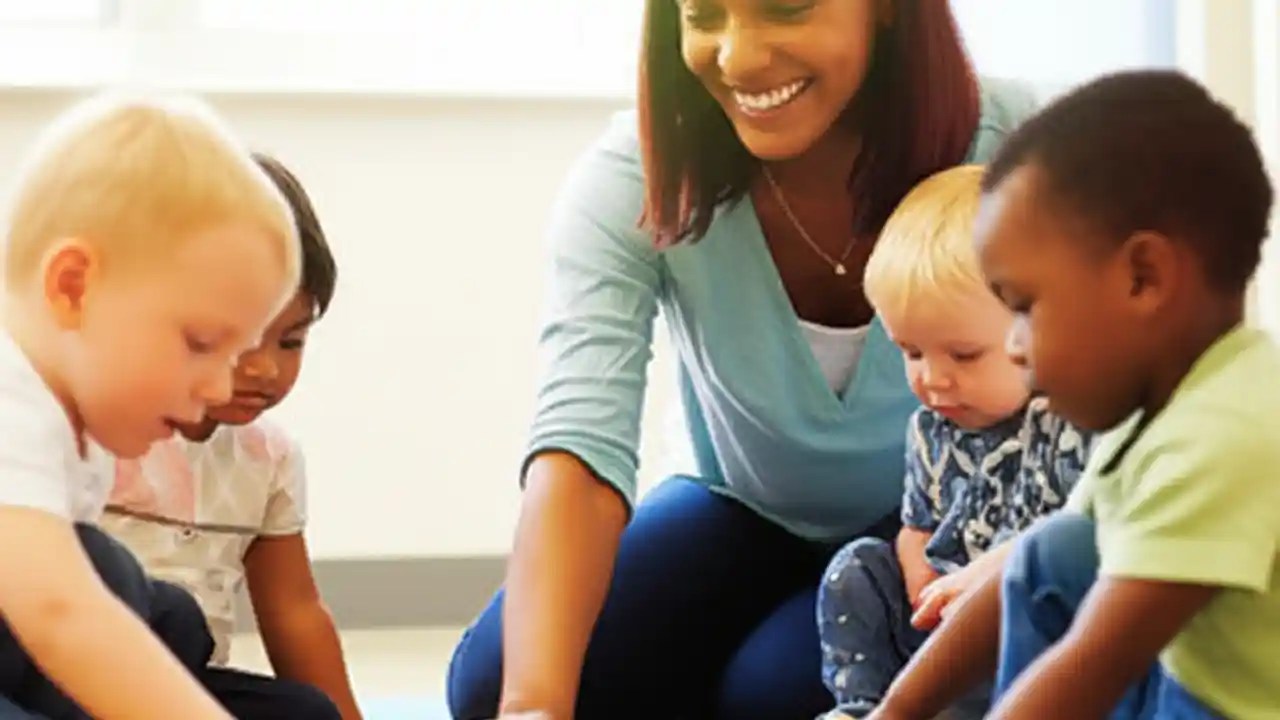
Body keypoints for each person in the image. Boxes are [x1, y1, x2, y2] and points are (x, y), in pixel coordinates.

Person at [446, 1, 1037, 718]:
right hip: (737, 503)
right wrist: (532, 704)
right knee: (493, 684)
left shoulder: (1024, 149)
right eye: (703, 13)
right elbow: (579, 443)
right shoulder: (633, 175)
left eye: (784, 7)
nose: (737, 57)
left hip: (935, 527)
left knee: (771, 698)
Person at [867, 70, 1279, 720]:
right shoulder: (1162, 406)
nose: (1015, 346)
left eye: (1025, 308)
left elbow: (1098, 659)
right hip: (1184, 685)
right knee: (1056, 549)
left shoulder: (1226, 437)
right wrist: (894, 712)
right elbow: (1020, 579)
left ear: (1143, 277)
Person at [0, 91, 299, 718]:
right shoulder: (11, 398)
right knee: (98, 580)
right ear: (73, 287)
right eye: (200, 343)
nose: (219, 388)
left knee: (151, 602)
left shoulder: (76, 429)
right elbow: (58, 613)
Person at [816, 165, 1091, 720]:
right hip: (938, 617)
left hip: (1023, 632)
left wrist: (984, 583)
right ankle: (861, 706)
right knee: (857, 568)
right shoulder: (932, 429)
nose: (932, 379)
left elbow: (1086, 534)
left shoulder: (1072, 421)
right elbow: (917, 526)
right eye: (911, 352)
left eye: (964, 355)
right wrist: (921, 581)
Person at [101, 153, 356, 719]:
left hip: (183, 687)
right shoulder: (96, 427)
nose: (265, 368)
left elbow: (294, 611)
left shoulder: (268, 458)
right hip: (67, 674)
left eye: (290, 341)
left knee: (305, 713)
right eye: (239, 335)